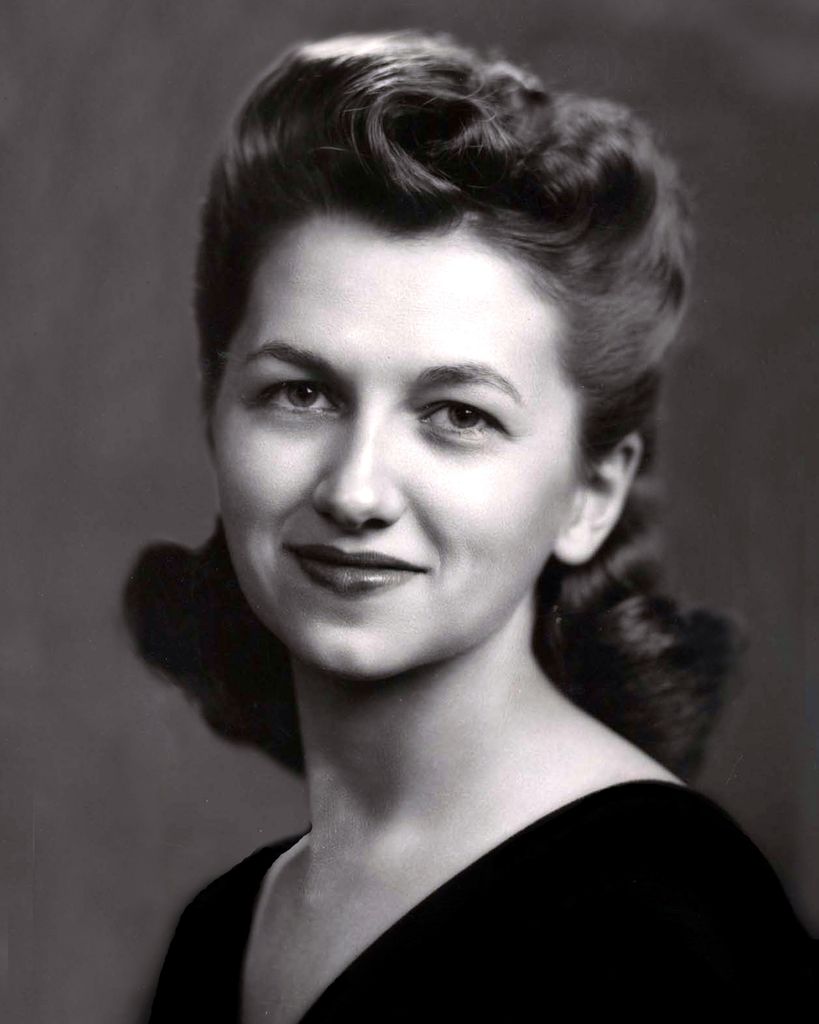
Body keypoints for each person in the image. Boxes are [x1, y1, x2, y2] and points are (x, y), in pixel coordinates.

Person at [126, 31, 815, 1022]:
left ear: (592, 494)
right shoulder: (220, 932)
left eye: (458, 414)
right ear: (213, 411)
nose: (356, 490)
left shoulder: (656, 939)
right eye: (301, 393)